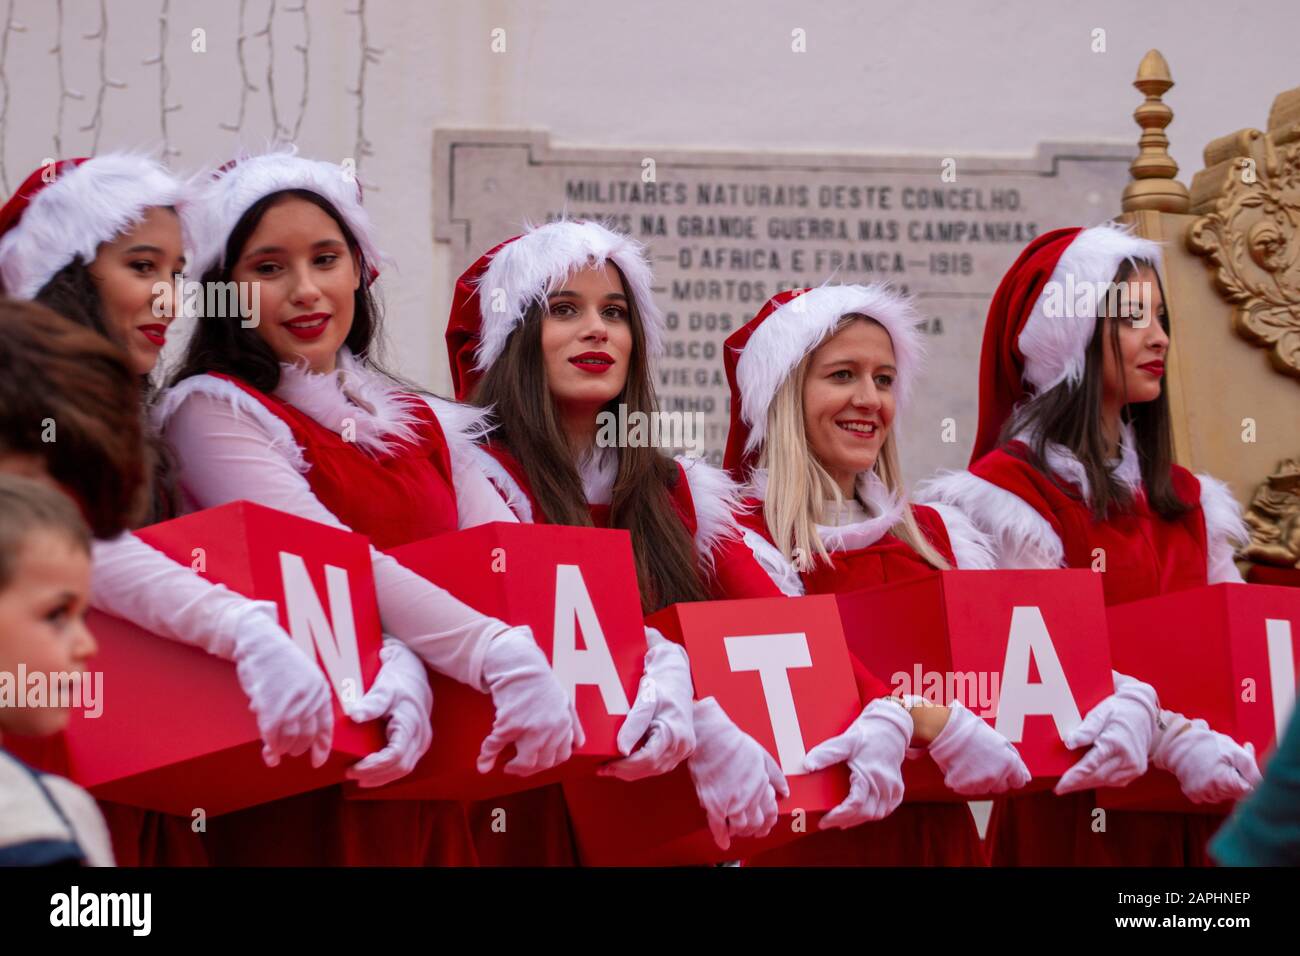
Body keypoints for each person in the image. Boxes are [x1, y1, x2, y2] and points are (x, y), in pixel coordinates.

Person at [159, 151, 584, 864]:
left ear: (360, 268)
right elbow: (331, 561)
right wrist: (488, 650)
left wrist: (649, 666)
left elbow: (509, 561)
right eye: (268, 269)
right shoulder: (210, 411)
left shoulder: (424, 423)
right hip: (310, 773)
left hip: (428, 773)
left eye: (326, 258)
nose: (305, 290)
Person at [0, 154, 336, 866]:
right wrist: (242, 627)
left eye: (177, 274)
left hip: (145, 764)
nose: (169, 299)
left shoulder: (140, 420)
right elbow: (82, 544)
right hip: (42, 751)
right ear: (65, 275)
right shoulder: (23, 415)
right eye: (142, 267)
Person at [919, 222, 1262, 865]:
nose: (1160, 337)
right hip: (1079, 822)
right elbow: (1040, 675)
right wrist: (1167, 733)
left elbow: (1234, 656)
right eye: (1133, 318)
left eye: (1162, 318)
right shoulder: (1010, 498)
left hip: (1201, 817)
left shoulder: (1191, 503)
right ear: (1068, 337)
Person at [445, 219, 784, 861]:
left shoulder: (677, 491)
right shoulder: (468, 472)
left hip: (651, 823)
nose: (597, 329)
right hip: (522, 810)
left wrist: (904, 711)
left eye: (616, 312)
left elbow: (779, 632)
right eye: (564, 310)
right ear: (515, 339)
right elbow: (544, 625)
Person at [712, 283, 1031, 865]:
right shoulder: (739, 539)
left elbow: (1022, 687)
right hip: (810, 850)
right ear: (785, 394)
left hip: (942, 843)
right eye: (842, 375)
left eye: (884, 380)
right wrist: (924, 717)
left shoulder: (943, 537)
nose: (870, 399)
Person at [0, 474, 114, 866]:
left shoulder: (68, 809)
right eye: (56, 615)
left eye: (84, 616)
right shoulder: (36, 824)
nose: (87, 645)